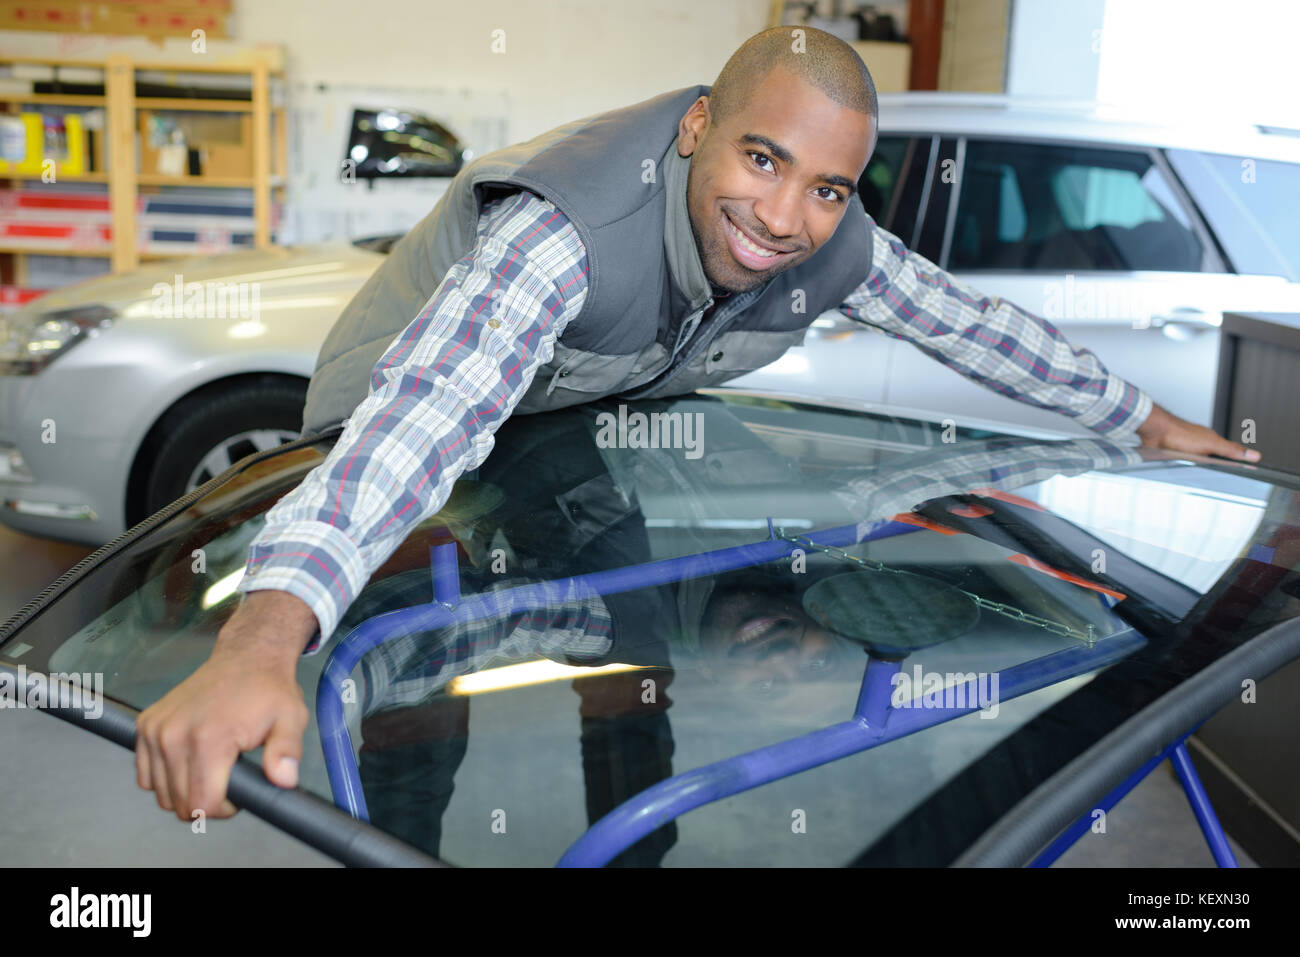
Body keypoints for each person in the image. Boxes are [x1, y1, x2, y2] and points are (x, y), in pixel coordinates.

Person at [136, 25, 1258, 822]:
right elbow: (420, 425)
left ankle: (637, 846)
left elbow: (970, 325)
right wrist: (259, 642)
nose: (783, 217)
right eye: (761, 160)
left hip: (561, 424)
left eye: (827, 187)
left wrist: (1145, 418)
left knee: (633, 658)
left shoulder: (833, 238)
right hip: (402, 411)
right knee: (415, 677)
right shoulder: (564, 234)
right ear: (696, 128)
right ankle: (401, 844)